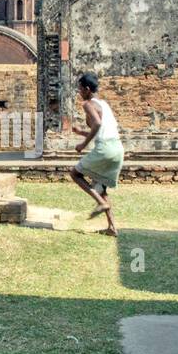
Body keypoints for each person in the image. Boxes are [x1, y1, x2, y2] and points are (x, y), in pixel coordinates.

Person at [70, 72, 124, 236]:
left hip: (105, 149)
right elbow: (102, 131)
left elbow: (98, 124)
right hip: (117, 148)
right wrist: (82, 133)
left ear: (87, 89)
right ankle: (112, 227)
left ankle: (101, 203)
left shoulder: (88, 104)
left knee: (75, 174)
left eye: (80, 89)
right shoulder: (104, 104)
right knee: (101, 188)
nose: (79, 92)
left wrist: (82, 145)